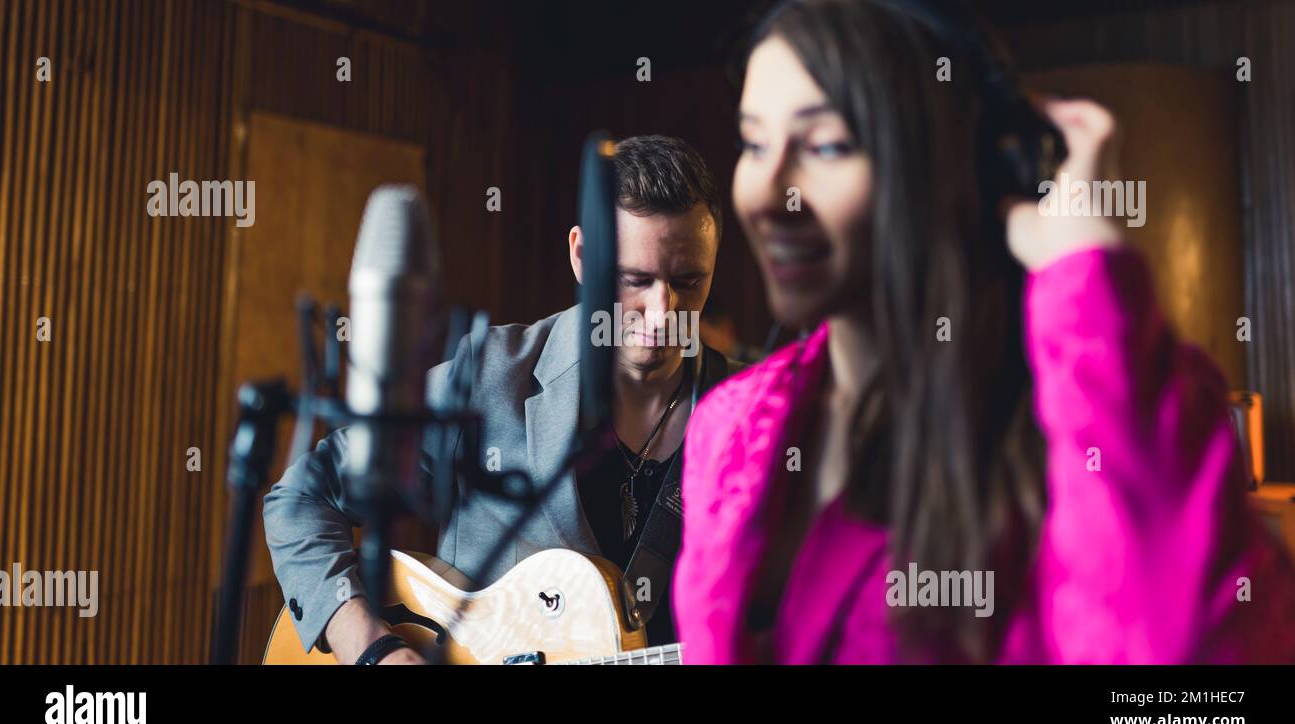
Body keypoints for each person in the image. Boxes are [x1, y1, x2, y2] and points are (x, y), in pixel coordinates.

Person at [672, 0, 1295, 663]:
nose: (768, 192)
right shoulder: (730, 426)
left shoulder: (1083, 415)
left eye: (826, 145)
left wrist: (1087, 281)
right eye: (754, 143)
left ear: (953, 164)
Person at [264, 135, 742, 664]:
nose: (661, 314)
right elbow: (301, 498)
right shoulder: (491, 375)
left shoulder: (759, 416)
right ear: (583, 256)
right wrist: (373, 649)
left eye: (688, 281)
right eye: (635, 280)